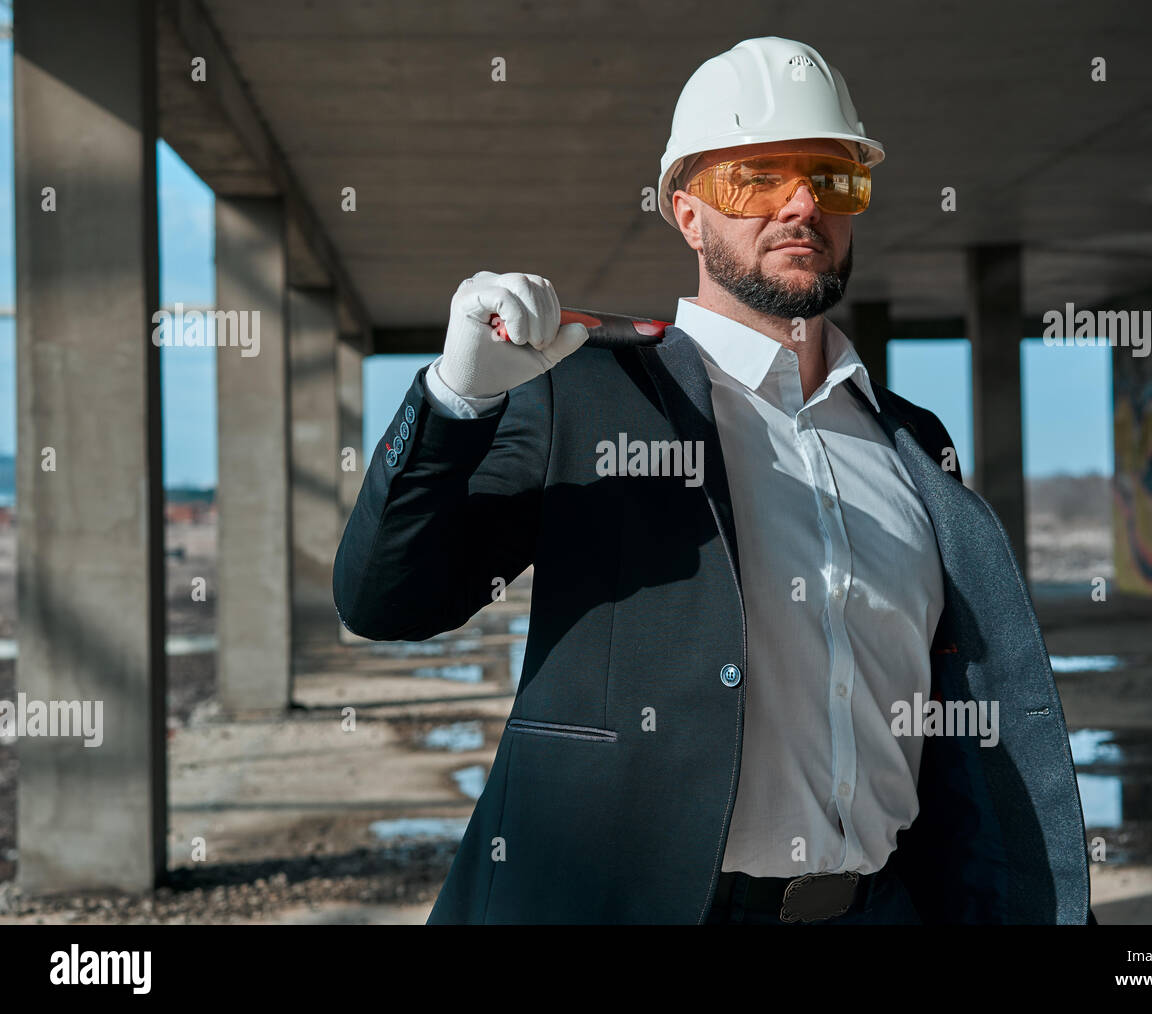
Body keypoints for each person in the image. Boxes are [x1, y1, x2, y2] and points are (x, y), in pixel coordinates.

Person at [334, 36, 1095, 925]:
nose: (802, 204)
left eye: (831, 177)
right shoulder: (592, 397)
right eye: (757, 178)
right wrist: (455, 400)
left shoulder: (913, 444)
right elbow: (385, 600)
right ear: (687, 212)